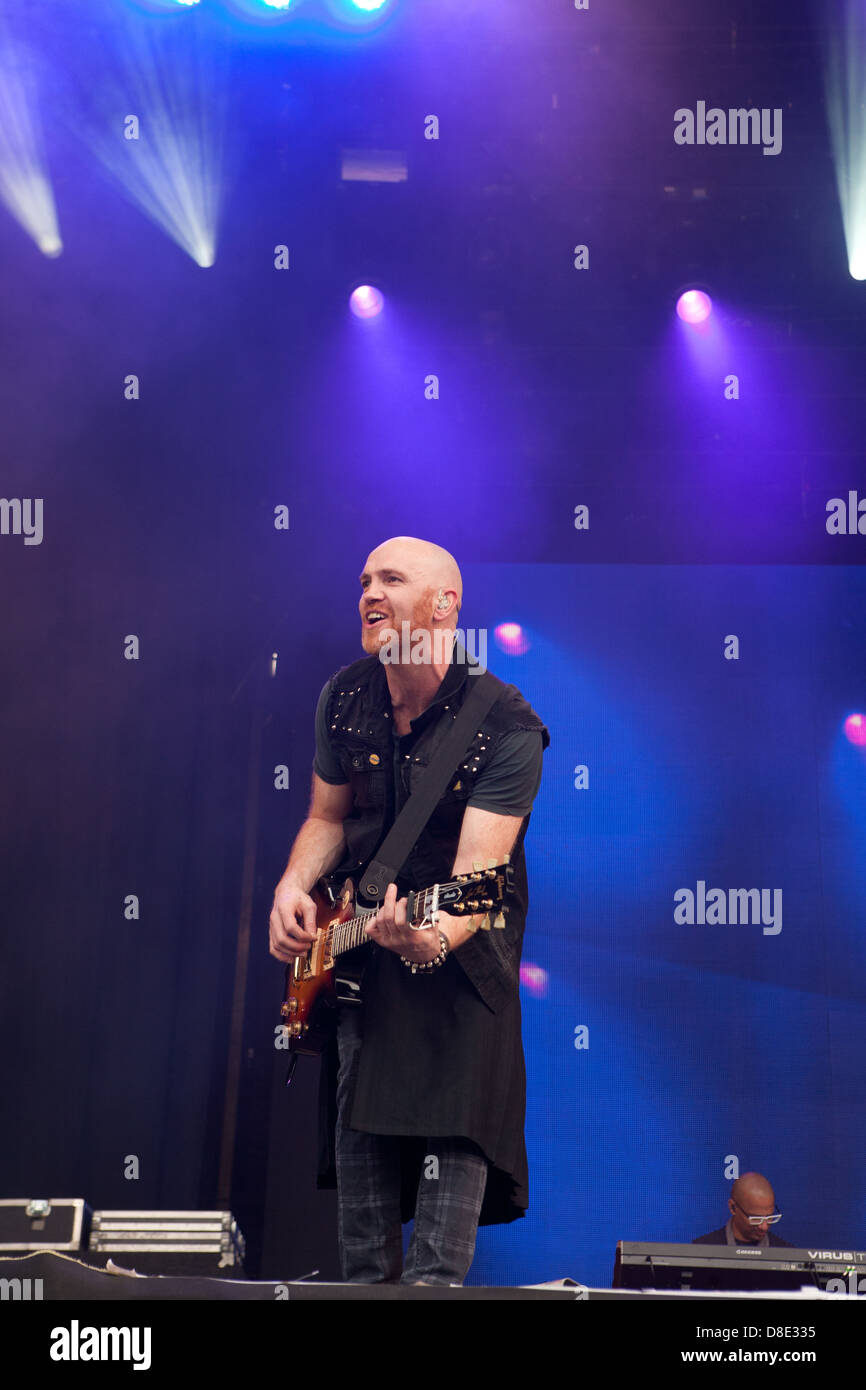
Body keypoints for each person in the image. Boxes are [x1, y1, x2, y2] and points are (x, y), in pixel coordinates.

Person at [269, 536, 549, 1285]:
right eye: (363, 578)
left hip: (460, 985)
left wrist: (428, 938)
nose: (369, 591)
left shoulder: (508, 724)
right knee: (363, 1267)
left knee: (433, 1276)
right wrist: (293, 888)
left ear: (445, 604)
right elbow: (327, 820)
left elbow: (478, 882)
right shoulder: (344, 696)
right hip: (363, 969)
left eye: (391, 579)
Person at [693, 1172, 794, 1248]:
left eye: (769, 1218)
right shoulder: (703, 1248)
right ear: (733, 1208)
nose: (764, 1227)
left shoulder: (787, 1252)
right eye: (755, 1218)